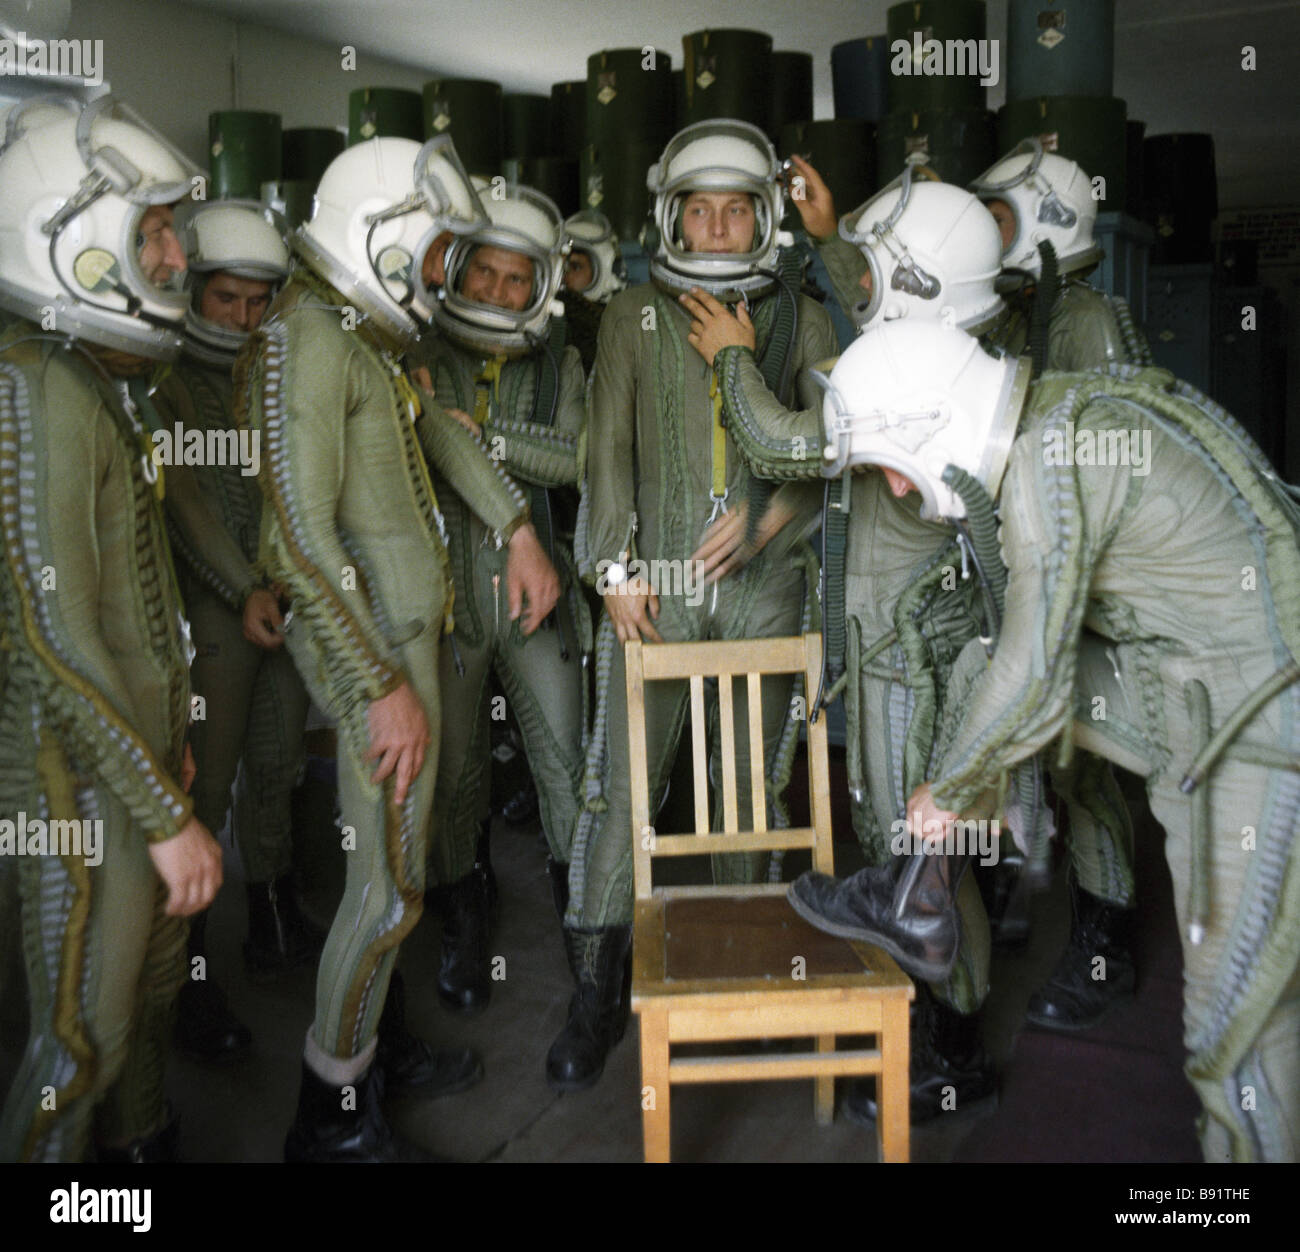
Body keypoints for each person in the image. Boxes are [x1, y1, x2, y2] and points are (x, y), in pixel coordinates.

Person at [787, 318, 1300, 1163]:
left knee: (1234, 1027)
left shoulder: (1046, 466)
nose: (899, 491)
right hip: (1196, 682)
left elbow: (1032, 672)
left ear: (933, 423)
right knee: (979, 662)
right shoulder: (1059, 423)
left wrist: (946, 791)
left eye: (887, 463)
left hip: (1258, 723)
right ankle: (917, 897)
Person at [239, 134, 561, 1161]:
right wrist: (377, 685)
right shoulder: (307, 342)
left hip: (411, 648)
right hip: (377, 656)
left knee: (401, 877)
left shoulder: (363, 340)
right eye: (431, 253)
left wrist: (514, 526)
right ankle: (328, 1114)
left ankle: (377, 1046)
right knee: (380, 890)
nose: (441, 276)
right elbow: (295, 537)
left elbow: (443, 435)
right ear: (378, 233)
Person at [552, 118, 837, 1092]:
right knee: (616, 790)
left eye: (735, 211)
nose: (716, 229)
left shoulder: (801, 316)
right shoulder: (633, 313)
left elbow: (830, 448)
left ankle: (739, 966)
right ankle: (593, 996)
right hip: (654, 591)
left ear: (762, 216)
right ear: (671, 215)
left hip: (763, 589)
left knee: (751, 789)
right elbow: (605, 457)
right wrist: (611, 567)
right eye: (699, 210)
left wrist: (763, 524)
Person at [0, 95, 223, 1162]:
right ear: (73, 245)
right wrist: (163, 811)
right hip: (78, 788)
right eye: (154, 235)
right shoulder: (34, 389)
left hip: (127, 765)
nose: (176, 257)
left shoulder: (89, 381)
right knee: (78, 1046)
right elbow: (58, 638)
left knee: (137, 1003)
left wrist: (167, 751)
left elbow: (138, 614)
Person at [148, 200, 317, 1063]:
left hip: (281, 593)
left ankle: (276, 908)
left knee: (280, 760)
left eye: (258, 302)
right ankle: (188, 974)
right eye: (227, 300)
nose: (244, 318)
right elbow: (184, 505)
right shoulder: (165, 379)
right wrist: (243, 586)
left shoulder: (274, 372)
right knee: (205, 788)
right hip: (217, 608)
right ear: (195, 291)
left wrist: (287, 580)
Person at [412, 182, 588, 1013]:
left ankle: (588, 923)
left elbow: (579, 459)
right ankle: (465, 911)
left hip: (535, 599)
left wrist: (491, 437)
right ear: (457, 270)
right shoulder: (417, 351)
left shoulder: (560, 361)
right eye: (484, 271)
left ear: (542, 287)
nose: (497, 291)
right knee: (454, 777)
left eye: (518, 279)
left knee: (565, 759)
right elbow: (417, 445)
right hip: (450, 602)